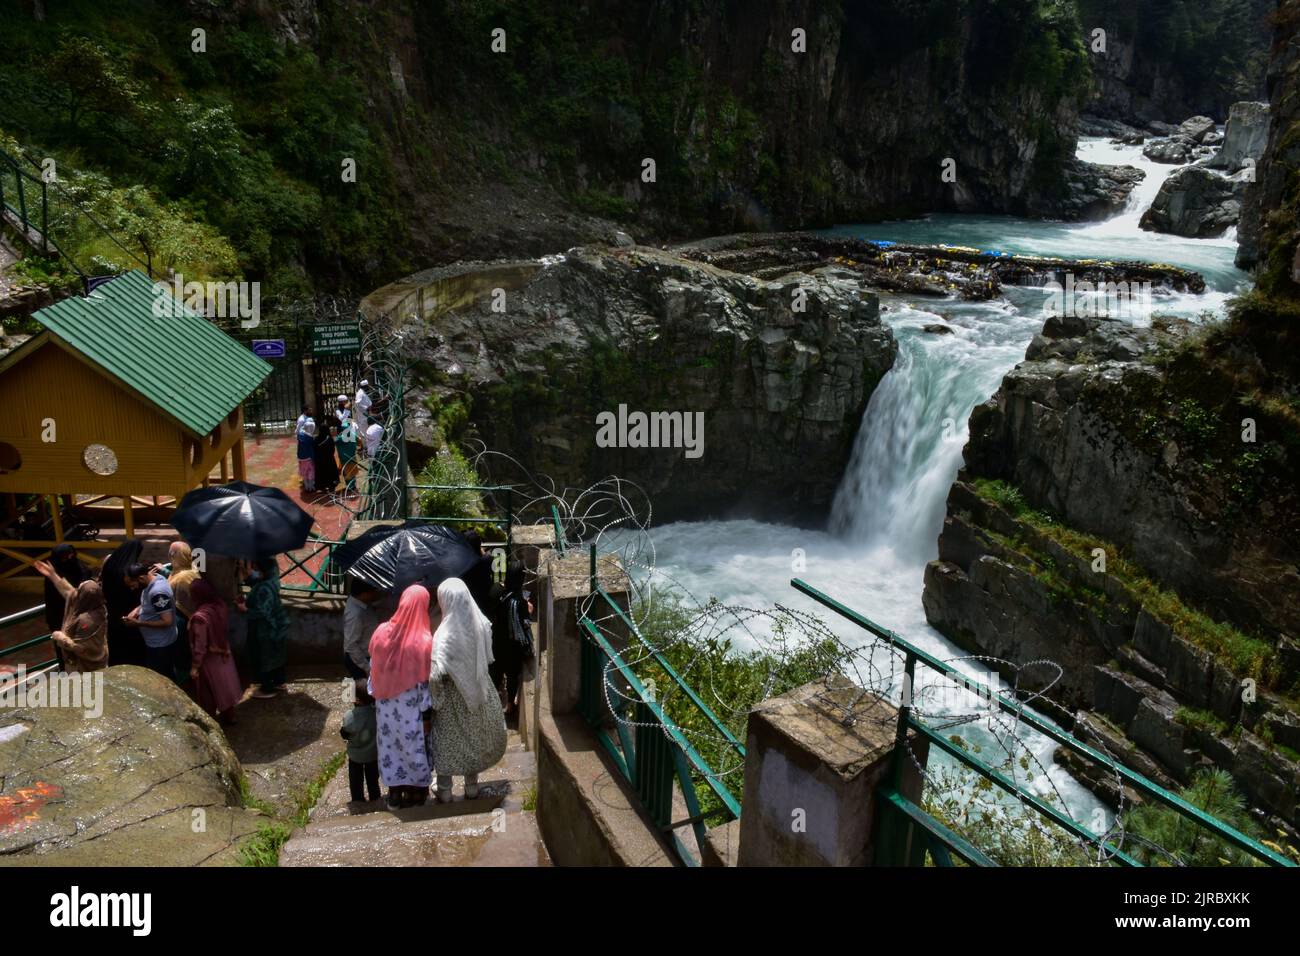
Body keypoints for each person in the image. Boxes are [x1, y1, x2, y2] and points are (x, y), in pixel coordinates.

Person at [428, 577, 507, 803]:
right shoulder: (480, 623)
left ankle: (444, 789)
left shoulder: (444, 635)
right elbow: (487, 656)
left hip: (453, 697)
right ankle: (471, 786)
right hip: (479, 690)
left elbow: (434, 674)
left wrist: (436, 699)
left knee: (447, 741)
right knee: (473, 739)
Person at [368, 584, 435, 809]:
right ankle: (417, 796)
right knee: (415, 749)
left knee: (390, 749)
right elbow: (426, 686)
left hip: (385, 710)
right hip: (412, 712)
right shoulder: (424, 641)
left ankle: (395, 795)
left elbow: (373, 672)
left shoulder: (380, 632)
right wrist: (427, 715)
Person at [34, 559, 107, 674]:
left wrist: (59, 637)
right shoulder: (92, 603)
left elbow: (80, 648)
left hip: (85, 667)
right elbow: (68, 591)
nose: (76, 592)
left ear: (84, 595)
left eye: (80, 590)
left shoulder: (87, 620)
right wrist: (52, 574)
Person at [186, 579, 242, 725]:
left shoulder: (200, 618)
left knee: (207, 692)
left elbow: (200, 645)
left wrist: (195, 666)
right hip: (224, 653)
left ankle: (210, 723)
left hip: (209, 659)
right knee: (225, 688)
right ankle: (230, 717)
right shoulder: (220, 605)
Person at [238, 557, 289, 698]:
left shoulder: (264, 588)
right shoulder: (272, 579)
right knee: (276, 655)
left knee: (263, 657)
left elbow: (262, 612)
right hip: (277, 626)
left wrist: (245, 609)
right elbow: (256, 581)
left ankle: (267, 688)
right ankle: (279, 681)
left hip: (265, 629)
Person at [489, 560, 534, 718]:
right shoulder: (519, 601)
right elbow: (523, 622)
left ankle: (493, 705)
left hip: (496, 640)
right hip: (512, 645)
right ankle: (509, 706)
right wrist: (529, 609)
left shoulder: (497, 591)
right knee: (512, 674)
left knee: (496, 672)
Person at [122, 562, 180, 682]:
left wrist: (138, 623)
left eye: (133, 585)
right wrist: (137, 610)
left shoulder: (158, 593)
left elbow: (167, 621)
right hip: (156, 641)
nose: (132, 589)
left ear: (141, 578)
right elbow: (150, 604)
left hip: (161, 644)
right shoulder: (154, 579)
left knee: (162, 678)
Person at [101, 539, 146, 667]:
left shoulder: (110, 563)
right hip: (129, 615)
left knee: (116, 647)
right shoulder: (128, 571)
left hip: (112, 612)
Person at [159, 541, 198, 686]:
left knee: (181, 652)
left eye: (171, 553)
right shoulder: (185, 570)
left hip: (183, 619)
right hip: (179, 618)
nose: (169, 555)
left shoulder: (183, 577)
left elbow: (185, 602)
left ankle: (185, 680)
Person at [340, 684, 381, 806]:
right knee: (373, 778)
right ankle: (375, 797)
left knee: (355, 779)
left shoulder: (349, 716)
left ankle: (357, 799)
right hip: (373, 754)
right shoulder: (376, 713)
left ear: (356, 699)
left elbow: (344, 733)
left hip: (355, 756)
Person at [343, 579, 382, 679]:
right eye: (372, 592)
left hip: (367, 655)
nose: (375, 594)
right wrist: (367, 668)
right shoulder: (355, 614)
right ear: (364, 594)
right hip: (361, 659)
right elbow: (351, 645)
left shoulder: (361, 603)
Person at [313, 420, 341, 495]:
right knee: (330, 473)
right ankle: (331, 485)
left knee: (321, 473)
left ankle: (322, 486)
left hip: (320, 460)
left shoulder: (316, 439)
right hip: (329, 459)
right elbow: (332, 450)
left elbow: (314, 449)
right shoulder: (329, 439)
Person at [336, 416, 360, 496]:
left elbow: (334, 441)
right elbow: (359, 442)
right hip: (352, 457)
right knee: (353, 471)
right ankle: (353, 485)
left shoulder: (340, 438)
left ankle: (349, 486)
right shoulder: (353, 435)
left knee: (346, 473)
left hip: (344, 459)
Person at [297, 417, 317, 493]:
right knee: (310, 472)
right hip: (308, 458)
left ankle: (306, 486)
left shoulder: (300, 435)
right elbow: (311, 450)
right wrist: (313, 459)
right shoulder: (310, 438)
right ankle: (311, 487)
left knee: (304, 472)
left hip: (301, 458)